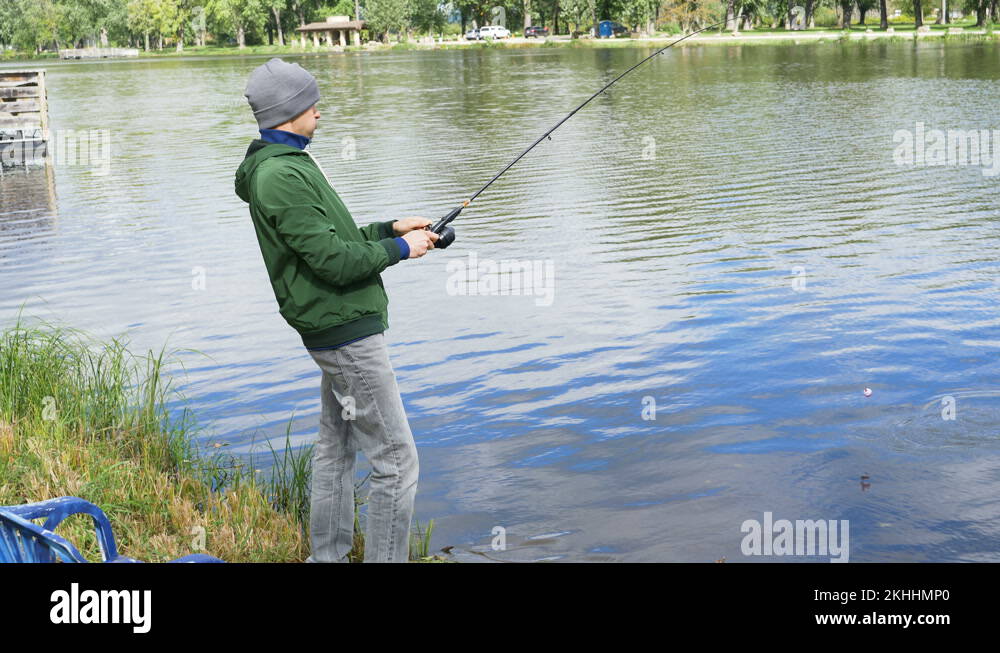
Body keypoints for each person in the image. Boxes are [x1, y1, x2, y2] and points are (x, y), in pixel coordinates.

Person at [234, 58, 437, 562]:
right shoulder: (280, 175)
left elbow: (334, 242)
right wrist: (402, 250)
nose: (319, 113)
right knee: (396, 461)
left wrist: (390, 228)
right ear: (288, 111)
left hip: (336, 327)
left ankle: (326, 557)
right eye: (311, 104)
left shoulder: (289, 164)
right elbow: (333, 263)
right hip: (345, 331)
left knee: (336, 448)